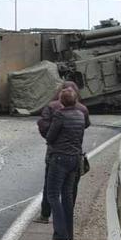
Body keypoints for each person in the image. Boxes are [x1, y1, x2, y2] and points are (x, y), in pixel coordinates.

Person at [36, 82, 90, 225]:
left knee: (50, 185)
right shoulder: (82, 110)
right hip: (75, 152)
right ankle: (68, 216)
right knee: (71, 188)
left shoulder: (52, 107)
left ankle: (45, 215)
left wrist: (51, 139)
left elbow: (45, 128)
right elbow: (86, 125)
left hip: (55, 152)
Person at [45, 88, 86, 240]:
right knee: (67, 195)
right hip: (75, 158)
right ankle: (69, 233)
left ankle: (60, 234)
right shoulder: (80, 115)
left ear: (61, 101)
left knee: (53, 195)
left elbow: (50, 136)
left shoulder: (60, 115)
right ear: (75, 100)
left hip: (60, 157)